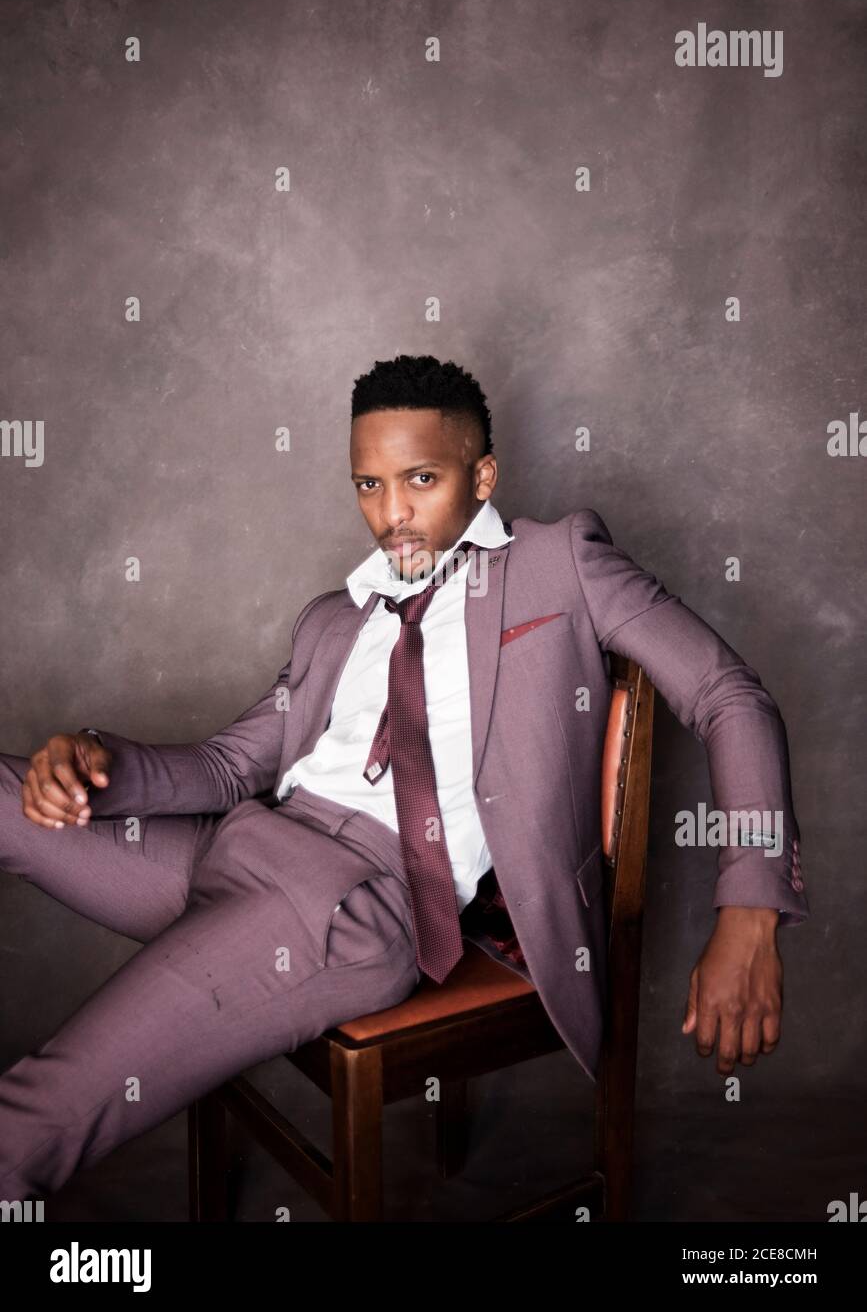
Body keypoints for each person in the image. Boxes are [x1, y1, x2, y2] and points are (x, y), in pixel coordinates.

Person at [0, 354, 808, 1203]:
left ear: (482, 474)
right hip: (233, 851)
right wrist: (94, 760)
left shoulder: (556, 565)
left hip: (351, 902)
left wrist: (749, 914)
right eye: (368, 485)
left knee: (40, 1110)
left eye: (420, 478)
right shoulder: (332, 619)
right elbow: (226, 765)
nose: (392, 515)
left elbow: (728, 695)